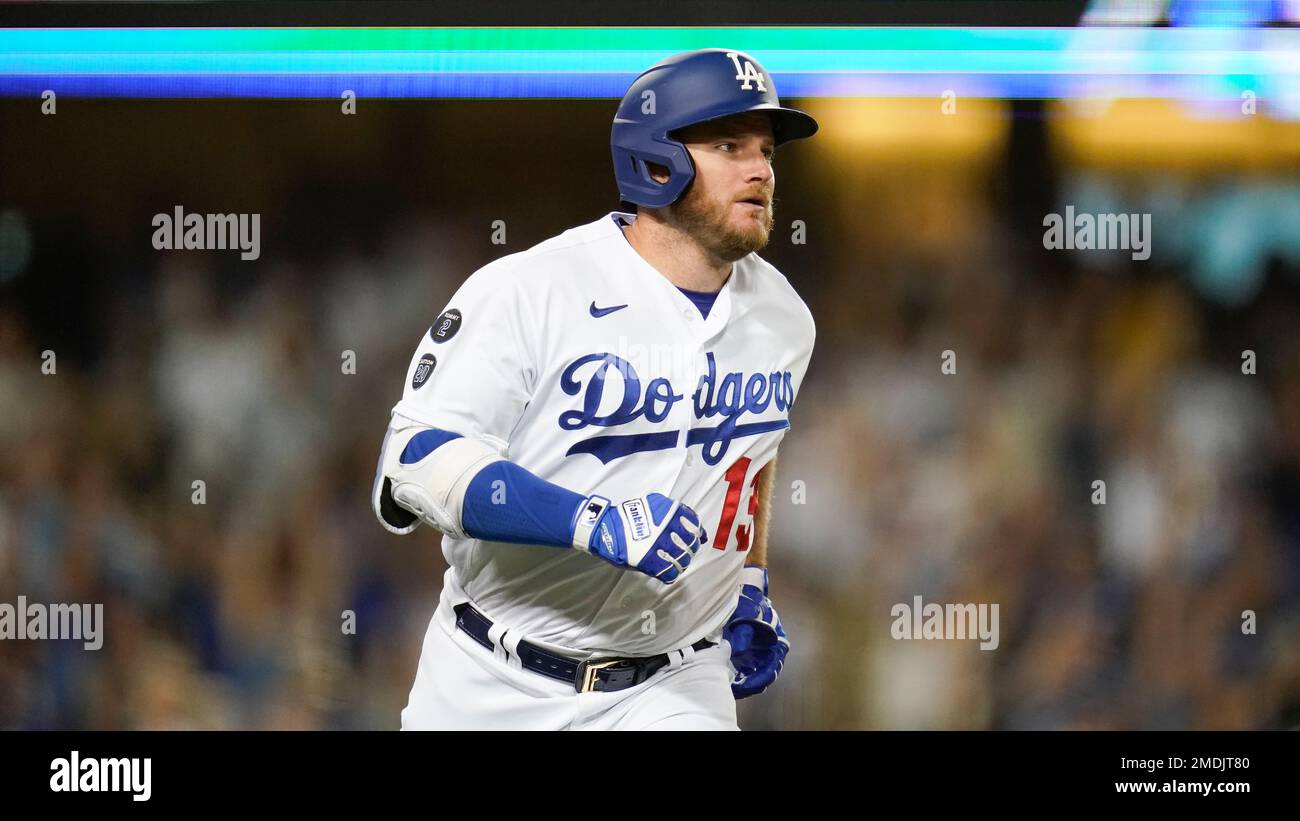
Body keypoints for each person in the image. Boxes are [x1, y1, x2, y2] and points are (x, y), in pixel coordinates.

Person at [372, 48, 818, 730]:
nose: (760, 169)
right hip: (492, 675)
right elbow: (416, 462)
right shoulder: (532, 289)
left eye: (765, 151)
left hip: (672, 682)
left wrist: (750, 579)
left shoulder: (784, 318)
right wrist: (588, 520)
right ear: (656, 159)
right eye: (729, 145)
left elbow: (752, 458)